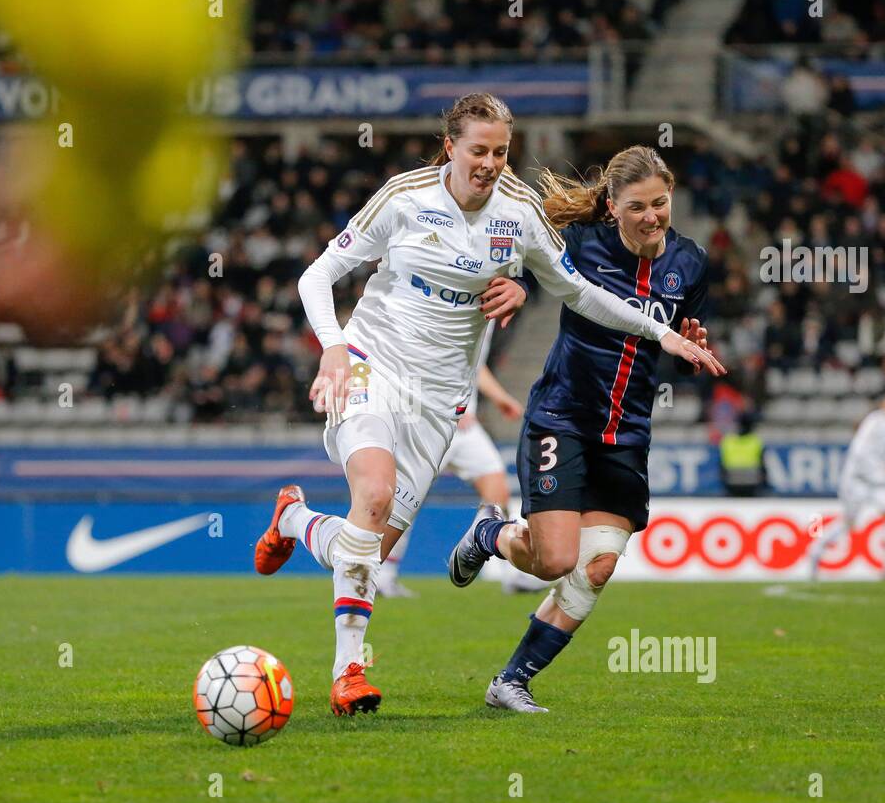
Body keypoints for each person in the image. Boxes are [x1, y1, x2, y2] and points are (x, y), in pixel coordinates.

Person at [252, 97, 720, 717]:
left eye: (501, 152)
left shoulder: (519, 213)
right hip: (373, 363)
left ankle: (294, 519)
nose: (491, 164)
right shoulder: (403, 197)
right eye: (479, 150)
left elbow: (577, 291)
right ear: (450, 146)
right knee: (374, 498)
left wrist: (662, 335)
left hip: (442, 398)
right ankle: (348, 672)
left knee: (366, 544)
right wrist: (334, 348)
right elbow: (316, 275)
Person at [448, 145, 727, 712]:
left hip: (628, 432)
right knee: (553, 559)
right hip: (562, 417)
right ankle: (489, 536)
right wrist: (519, 285)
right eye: (637, 207)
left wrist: (689, 347)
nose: (652, 217)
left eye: (661, 203)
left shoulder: (691, 263)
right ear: (611, 206)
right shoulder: (579, 244)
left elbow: (671, 341)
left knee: (597, 564)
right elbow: (516, 264)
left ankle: (512, 681)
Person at [378, 341, 549, 598]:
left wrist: (499, 398)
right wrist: (442, 405)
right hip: (429, 419)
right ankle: (382, 575)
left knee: (497, 489)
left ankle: (511, 572)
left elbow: (474, 364)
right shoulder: (446, 304)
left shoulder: (484, 310)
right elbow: (420, 352)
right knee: (406, 500)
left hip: (464, 426)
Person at [806, 390, 885, 580]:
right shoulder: (874, 422)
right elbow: (858, 451)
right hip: (857, 480)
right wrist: (880, 469)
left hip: (881, 483)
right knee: (849, 523)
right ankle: (816, 550)